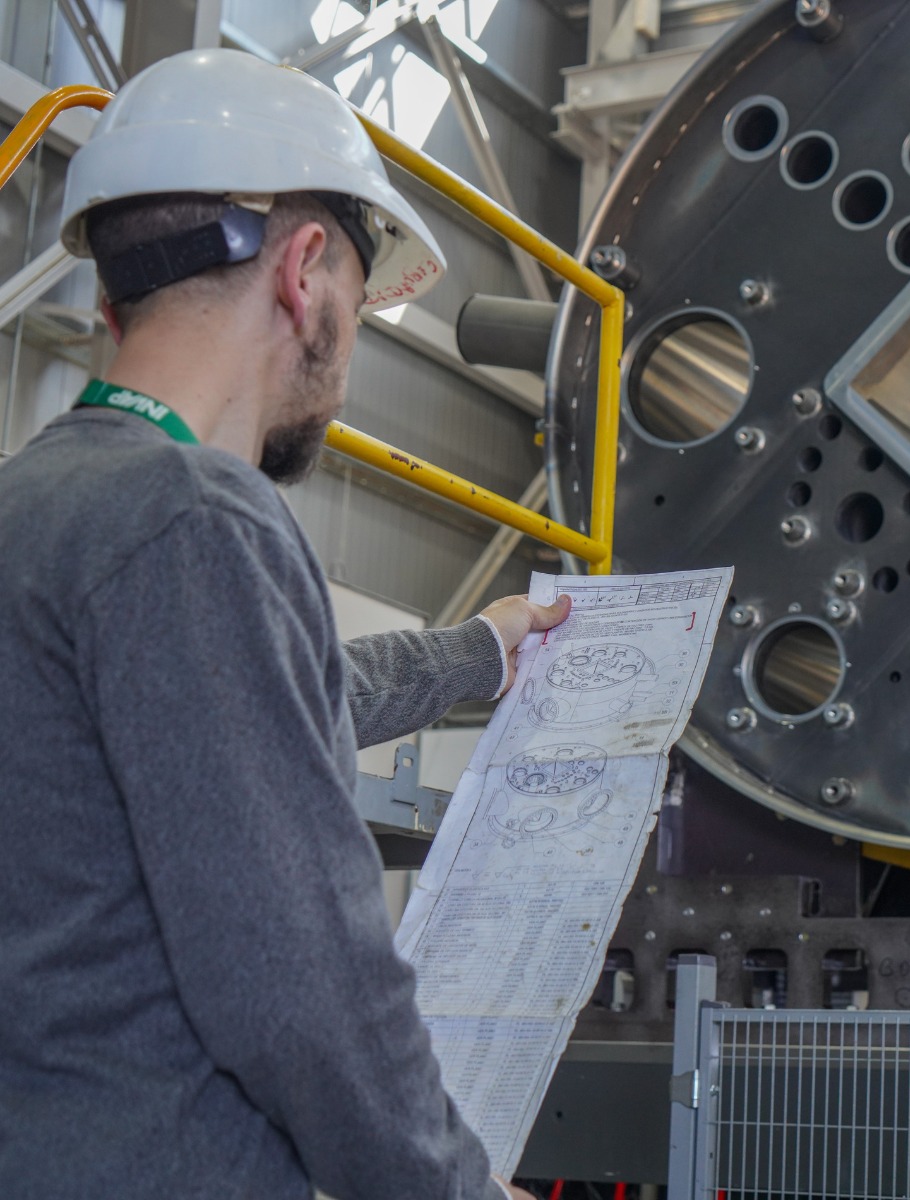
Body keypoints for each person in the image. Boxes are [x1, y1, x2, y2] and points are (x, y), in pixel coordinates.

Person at [0, 49, 568, 1200]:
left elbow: (271, 703)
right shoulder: (193, 523)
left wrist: (481, 649)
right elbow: (300, 985)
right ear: (306, 273)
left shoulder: (41, 512)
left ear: (111, 300)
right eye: (360, 300)